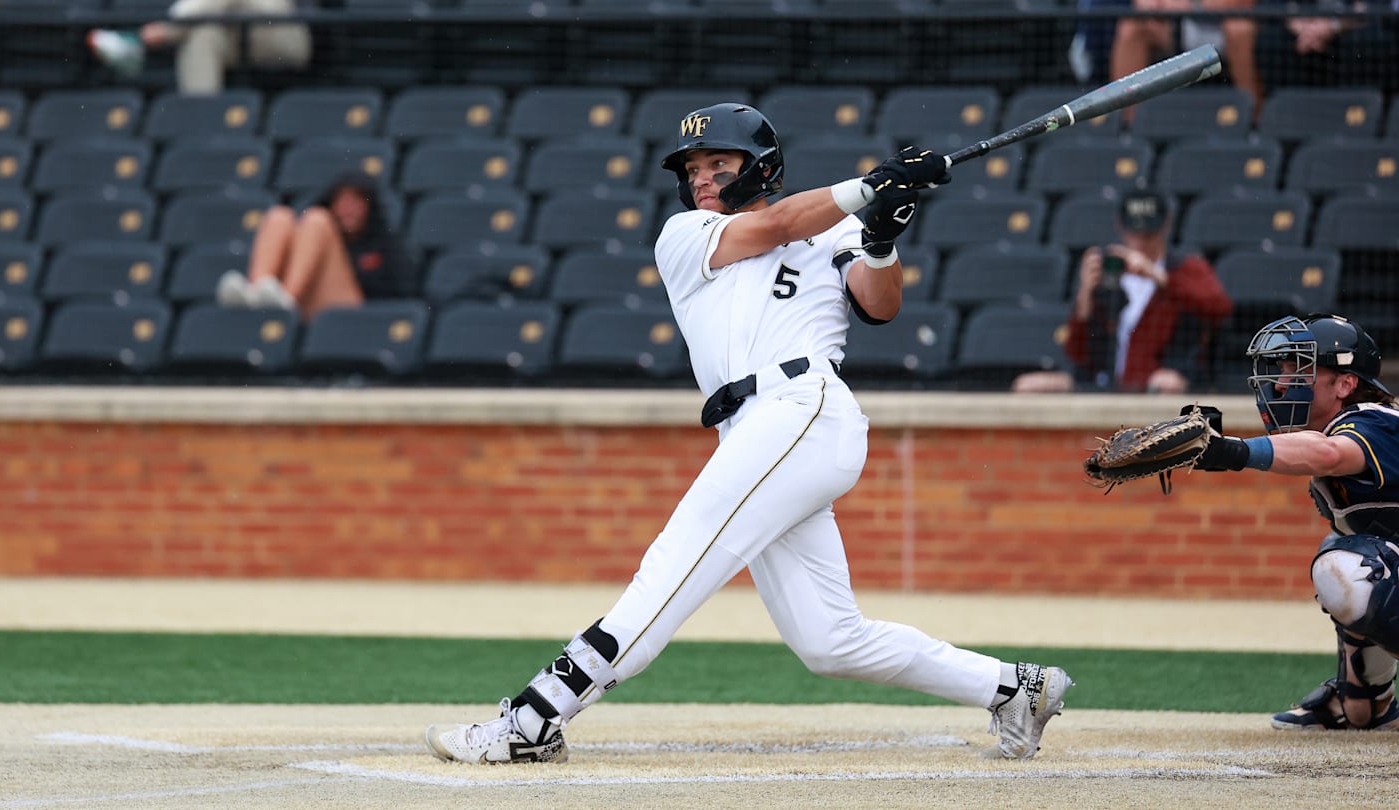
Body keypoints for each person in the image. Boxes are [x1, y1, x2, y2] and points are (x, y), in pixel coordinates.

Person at [422, 102, 1075, 766]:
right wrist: (874, 186)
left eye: (718, 163)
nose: (702, 177)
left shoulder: (836, 229)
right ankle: (1014, 689)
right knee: (829, 639)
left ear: (758, 166)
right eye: (694, 167)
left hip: (802, 410)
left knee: (670, 571)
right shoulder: (686, 234)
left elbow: (881, 302)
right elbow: (777, 225)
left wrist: (880, 233)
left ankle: (536, 718)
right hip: (754, 432)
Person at [1192, 314, 1399, 730]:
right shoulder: (1350, 423)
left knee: (1347, 568)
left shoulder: (1375, 420)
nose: (1282, 383)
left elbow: (1327, 453)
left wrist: (1232, 452)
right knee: (1347, 549)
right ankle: (1366, 700)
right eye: (1285, 369)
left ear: (1345, 384)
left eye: (1299, 370)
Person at [1012, 188, 1233, 394]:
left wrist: (1158, 277)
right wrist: (1085, 295)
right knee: (1027, 386)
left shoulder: (1186, 268)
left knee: (1167, 387)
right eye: (1134, 233)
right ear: (1121, 227)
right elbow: (1076, 352)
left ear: (1165, 226)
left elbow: (1218, 308)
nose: (1140, 241)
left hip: (1159, 379)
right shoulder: (1109, 270)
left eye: (1148, 234)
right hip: (1102, 380)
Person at [216, 169, 417, 321]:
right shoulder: (320, 235)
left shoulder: (385, 242)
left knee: (316, 220)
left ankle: (286, 300)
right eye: (343, 200)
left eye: (357, 201)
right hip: (311, 308)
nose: (348, 209)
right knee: (279, 216)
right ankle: (255, 292)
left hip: (354, 317)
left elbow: (403, 289)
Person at [87, 0, 311, 95]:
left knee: (198, 23)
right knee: (202, 35)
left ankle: (140, 39)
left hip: (286, 37)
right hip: (237, 34)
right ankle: (201, 119)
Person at [1108, 0, 1264, 119]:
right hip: (1182, 24)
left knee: (1239, 30)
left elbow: (1243, 3)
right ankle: (1127, 129)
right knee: (1132, 28)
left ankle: (1253, 125)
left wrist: (1193, 5)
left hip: (1225, 24)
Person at [1253, 0, 1399, 94]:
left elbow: (1377, 8)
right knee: (1270, 41)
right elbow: (1269, 6)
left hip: (1348, 30)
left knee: (1371, 40)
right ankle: (1286, 120)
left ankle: (1361, 116)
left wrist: (1333, 26)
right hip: (1301, 30)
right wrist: (1300, 25)